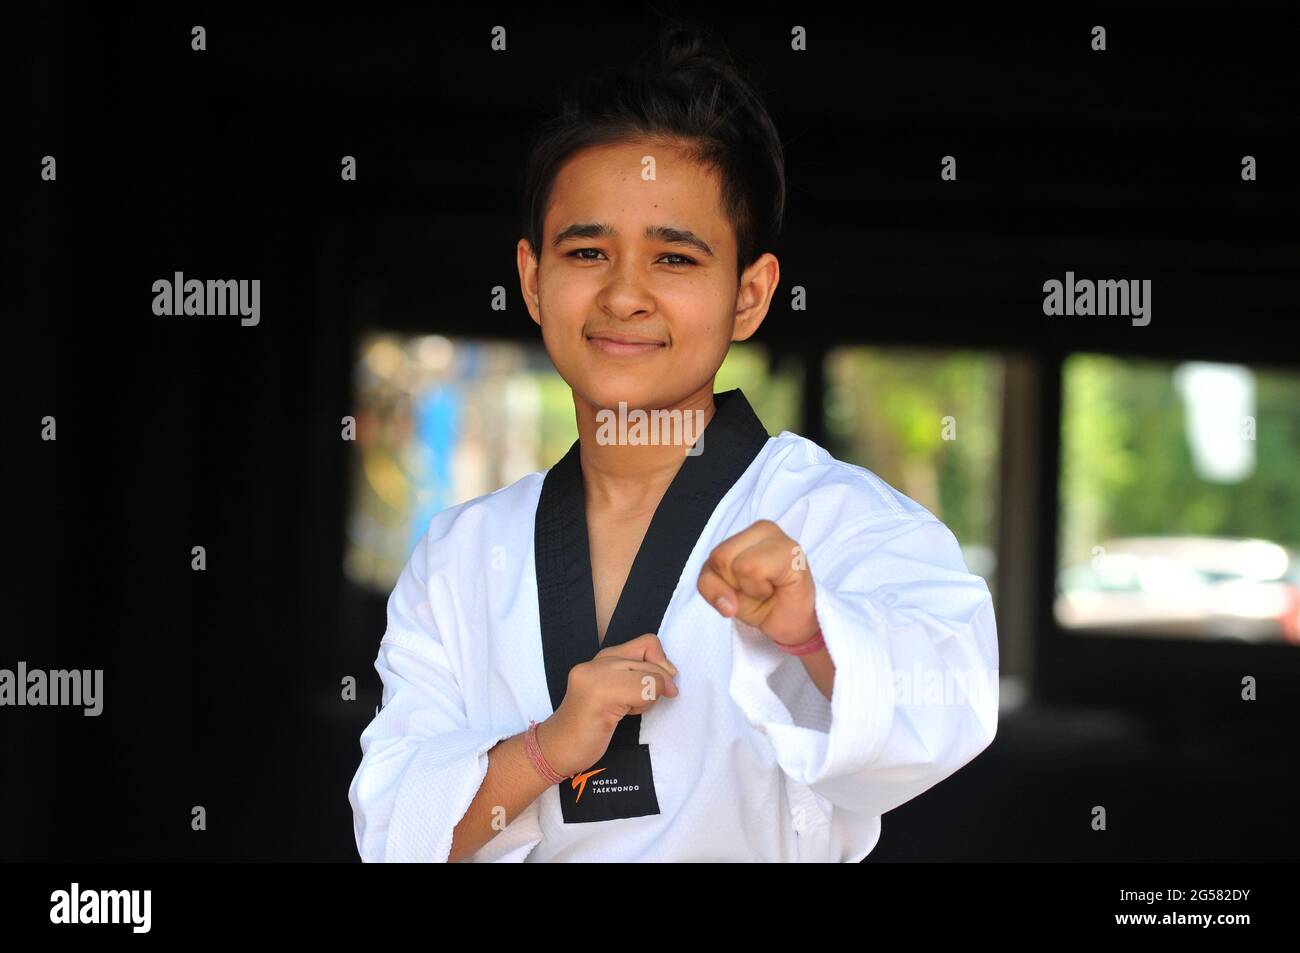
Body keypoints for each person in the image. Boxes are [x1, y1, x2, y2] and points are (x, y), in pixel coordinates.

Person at [347, 20, 999, 863]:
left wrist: (812, 631)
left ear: (751, 294)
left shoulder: (830, 519)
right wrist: (547, 749)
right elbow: (397, 834)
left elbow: (952, 699)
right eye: (587, 251)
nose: (624, 295)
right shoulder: (462, 556)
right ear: (533, 279)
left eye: (675, 260)